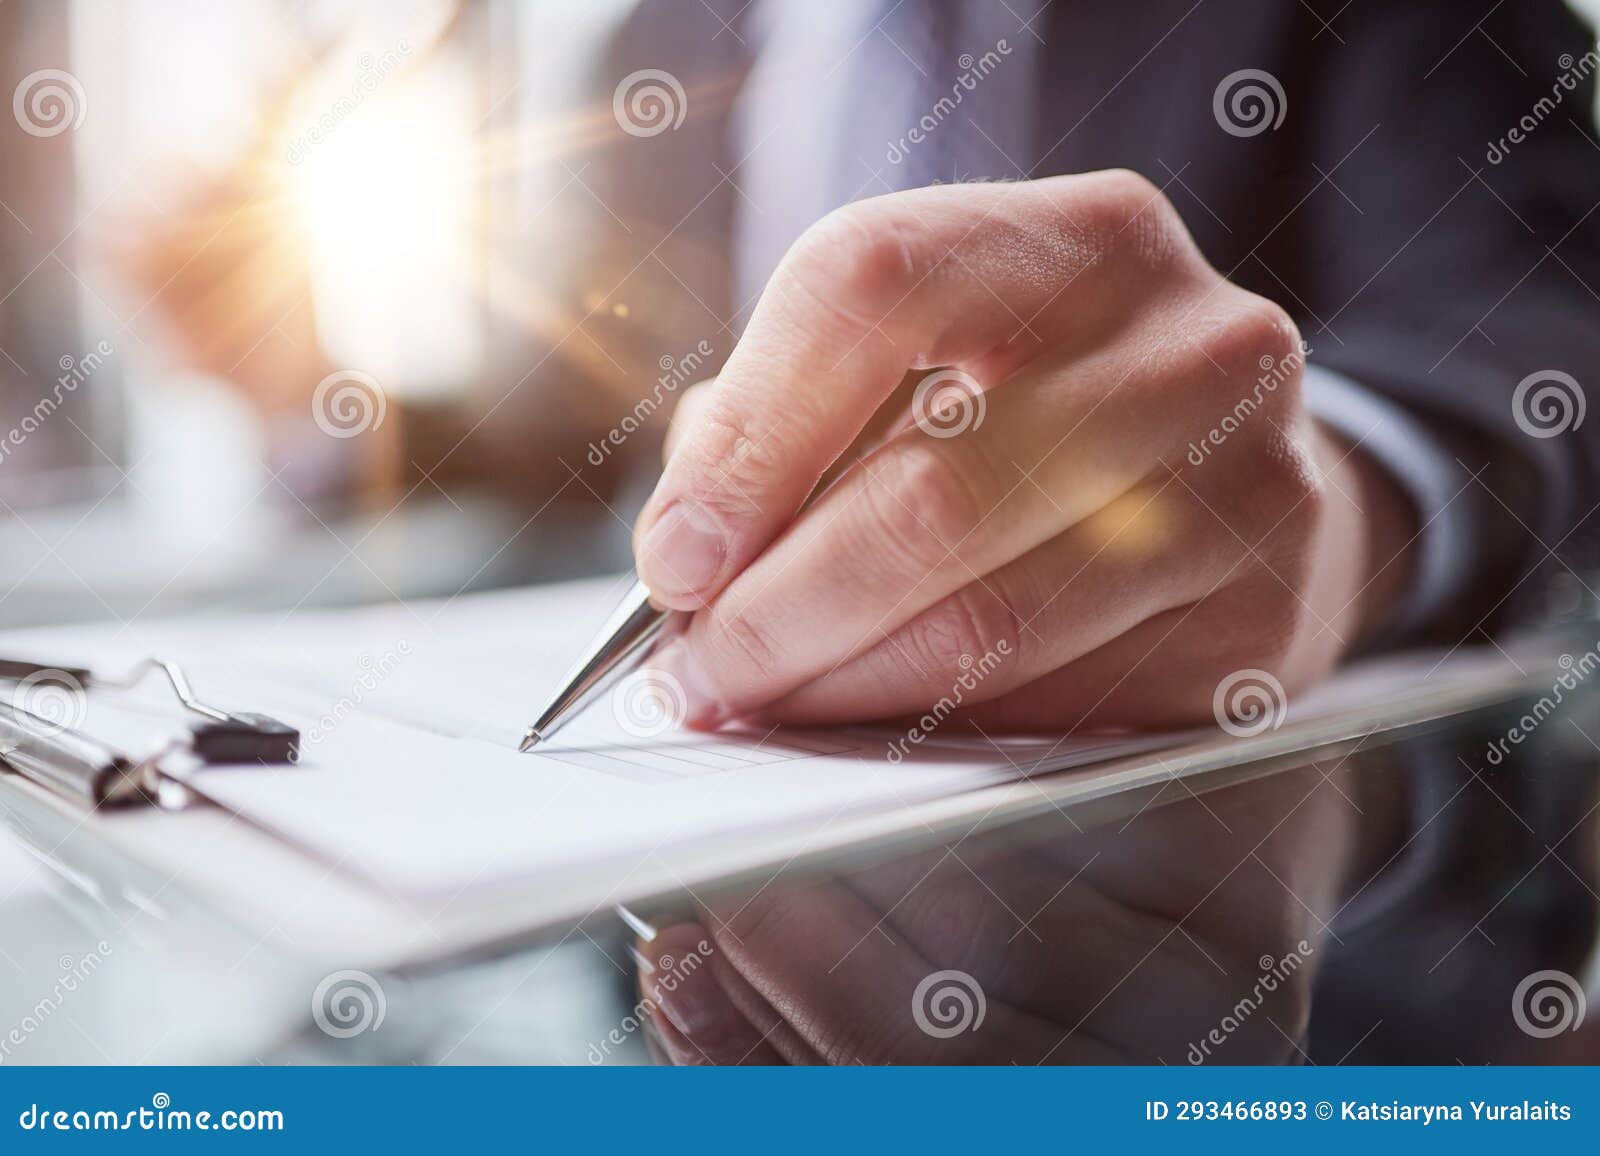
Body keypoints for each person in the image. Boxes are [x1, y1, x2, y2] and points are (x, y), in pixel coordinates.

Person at [122, 0, 1600, 1062]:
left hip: (1330, 918)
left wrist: (1324, 504)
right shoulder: (660, 50)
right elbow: (552, 423)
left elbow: (1536, 337)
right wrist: (305, 382)